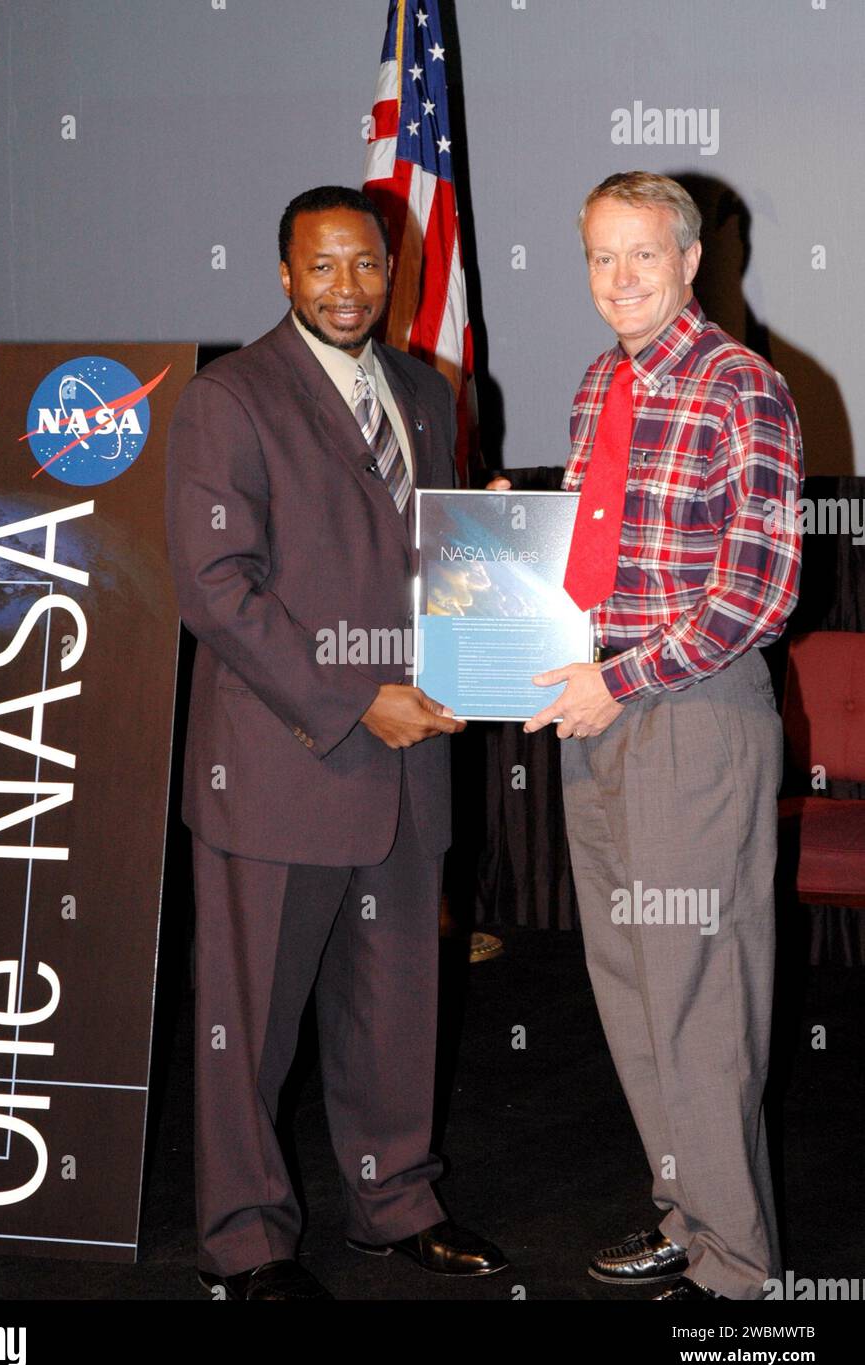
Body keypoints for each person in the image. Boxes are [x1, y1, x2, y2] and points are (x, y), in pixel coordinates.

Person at [165, 185, 507, 1300]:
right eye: (323, 268)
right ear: (284, 275)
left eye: (365, 265)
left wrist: (487, 543)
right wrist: (359, 699)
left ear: (390, 267)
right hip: (282, 764)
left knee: (398, 1003)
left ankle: (394, 1201)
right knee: (248, 1030)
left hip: (411, 764)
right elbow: (219, 592)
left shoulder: (422, 385)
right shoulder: (231, 398)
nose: (348, 288)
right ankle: (248, 1240)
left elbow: (423, 561)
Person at [525, 172, 803, 1301]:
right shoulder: (602, 383)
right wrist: (510, 546)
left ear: (691, 262)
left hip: (691, 719)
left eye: (644, 254)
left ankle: (739, 1275)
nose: (621, 278)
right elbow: (605, 565)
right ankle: (686, 1219)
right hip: (602, 717)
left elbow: (762, 590)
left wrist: (620, 679)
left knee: (701, 1000)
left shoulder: (745, 388)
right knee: (636, 993)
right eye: (601, 257)